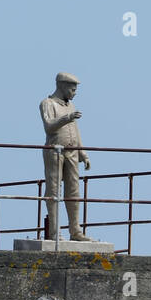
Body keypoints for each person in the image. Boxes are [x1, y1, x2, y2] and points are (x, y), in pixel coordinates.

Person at [40, 72, 93, 242]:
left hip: (72, 151)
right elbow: (49, 127)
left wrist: (82, 152)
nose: (74, 92)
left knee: (74, 191)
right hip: (55, 150)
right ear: (62, 86)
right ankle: (55, 232)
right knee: (54, 190)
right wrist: (67, 118)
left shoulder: (70, 105)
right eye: (72, 89)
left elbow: (76, 131)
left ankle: (75, 230)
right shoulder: (47, 103)